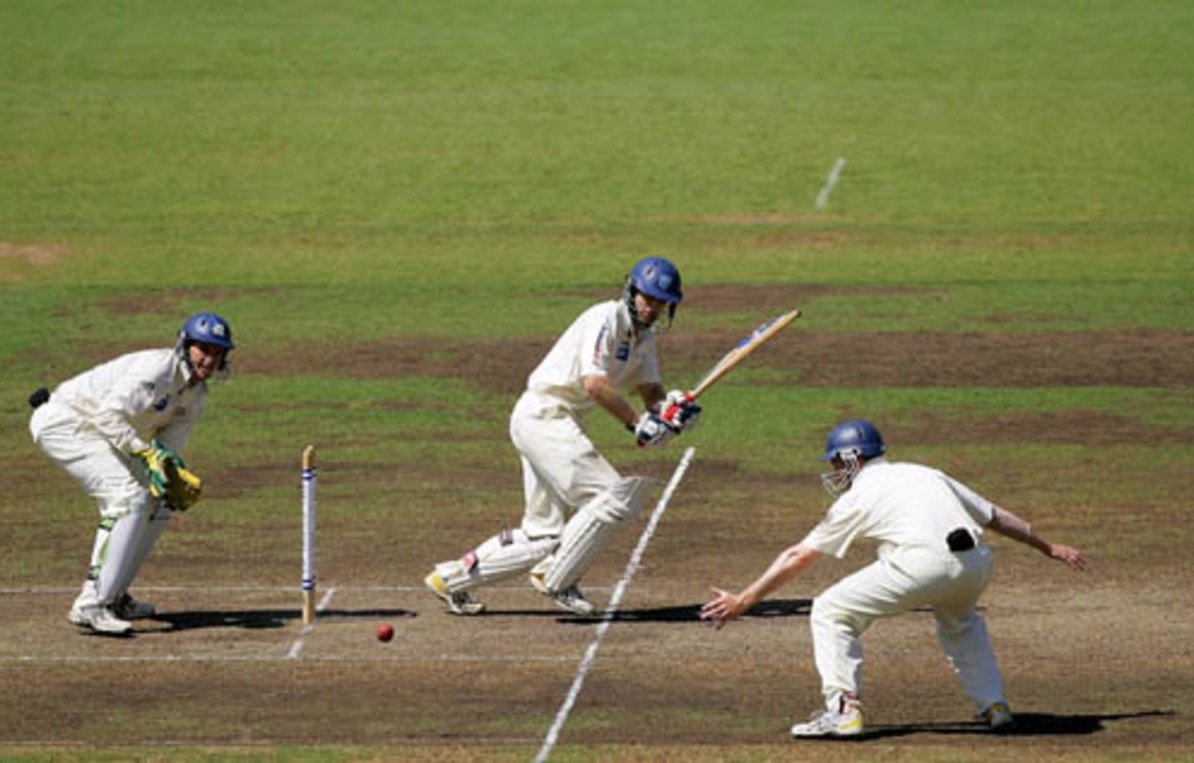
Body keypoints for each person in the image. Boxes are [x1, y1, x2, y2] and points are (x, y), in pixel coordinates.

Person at [700, 419, 1088, 738]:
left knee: (830, 610)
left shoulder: (857, 496)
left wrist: (745, 600)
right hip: (975, 563)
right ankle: (994, 706)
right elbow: (994, 515)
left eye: (837, 462)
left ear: (852, 458)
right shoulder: (926, 473)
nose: (835, 471)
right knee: (961, 623)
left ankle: (843, 710)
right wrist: (1047, 546)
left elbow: (798, 555)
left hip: (924, 563)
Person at [425, 256, 701, 617]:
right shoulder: (607, 318)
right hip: (544, 416)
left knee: (543, 534)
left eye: (661, 302)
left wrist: (670, 413)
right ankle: (555, 576)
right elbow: (594, 383)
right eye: (648, 298)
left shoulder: (644, 339)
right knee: (612, 496)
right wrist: (637, 424)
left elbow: (651, 391)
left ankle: (450, 580)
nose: (652, 308)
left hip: (549, 422)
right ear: (631, 292)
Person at [29, 312, 235, 635]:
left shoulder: (196, 396)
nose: (209, 359)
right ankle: (90, 604)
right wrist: (145, 452)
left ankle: (114, 596)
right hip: (66, 422)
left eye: (216, 352)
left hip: (103, 433)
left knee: (159, 500)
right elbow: (108, 416)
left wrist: (169, 473)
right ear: (186, 346)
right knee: (127, 497)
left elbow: (167, 450)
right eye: (203, 350)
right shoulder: (158, 369)